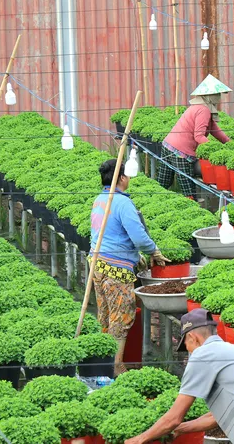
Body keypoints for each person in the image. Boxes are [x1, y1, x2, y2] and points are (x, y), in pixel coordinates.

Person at [125, 308, 234, 444]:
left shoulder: (203, 354)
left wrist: (139, 439)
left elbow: (174, 417)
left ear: (193, 338)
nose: (189, 352)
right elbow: (213, 417)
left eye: (186, 346)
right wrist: (181, 429)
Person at [91, 158, 166, 374]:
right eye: (128, 175)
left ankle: (103, 363)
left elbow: (107, 233)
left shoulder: (99, 199)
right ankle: (116, 366)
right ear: (122, 178)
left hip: (98, 263)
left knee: (105, 314)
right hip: (116, 269)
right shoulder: (122, 203)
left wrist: (134, 256)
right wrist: (153, 251)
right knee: (121, 315)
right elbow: (138, 236)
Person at [158, 74, 232, 199]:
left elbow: (214, 129)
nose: (219, 98)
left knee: (162, 185)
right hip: (181, 152)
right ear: (209, 96)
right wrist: (214, 148)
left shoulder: (199, 107)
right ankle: (189, 206)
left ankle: (154, 201)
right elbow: (199, 136)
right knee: (189, 192)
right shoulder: (203, 110)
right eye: (217, 94)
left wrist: (229, 142)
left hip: (168, 145)